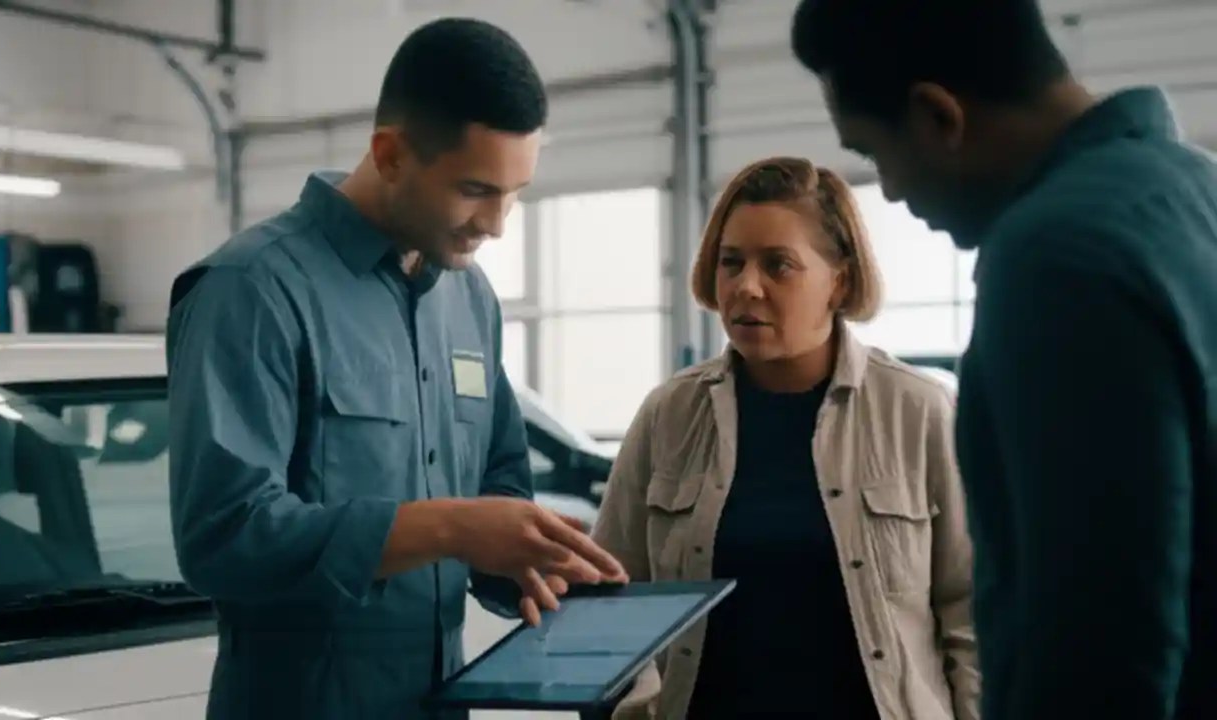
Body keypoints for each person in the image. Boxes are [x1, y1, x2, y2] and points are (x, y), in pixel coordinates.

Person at [165, 17, 626, 720]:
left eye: (515, 193)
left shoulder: (468, 296)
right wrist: (452, 529)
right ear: (389, 154)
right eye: (475, 189)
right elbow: (225, 537)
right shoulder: (251, 289)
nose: (497, 224)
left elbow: (496, 483)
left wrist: (534, 560)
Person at [791, 1, 1217, 719]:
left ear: (937, 117)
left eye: (873, 153)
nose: (890, 190)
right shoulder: (1190, 188)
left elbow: (1102, 629)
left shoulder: (1057, 255)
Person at [592, 156, 979, 720]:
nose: (747, 287)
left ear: (838, 280)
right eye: (731, 263)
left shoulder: (919, 412)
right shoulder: (669, 416)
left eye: (779, 266)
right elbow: (611, 603)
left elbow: (974, 618)